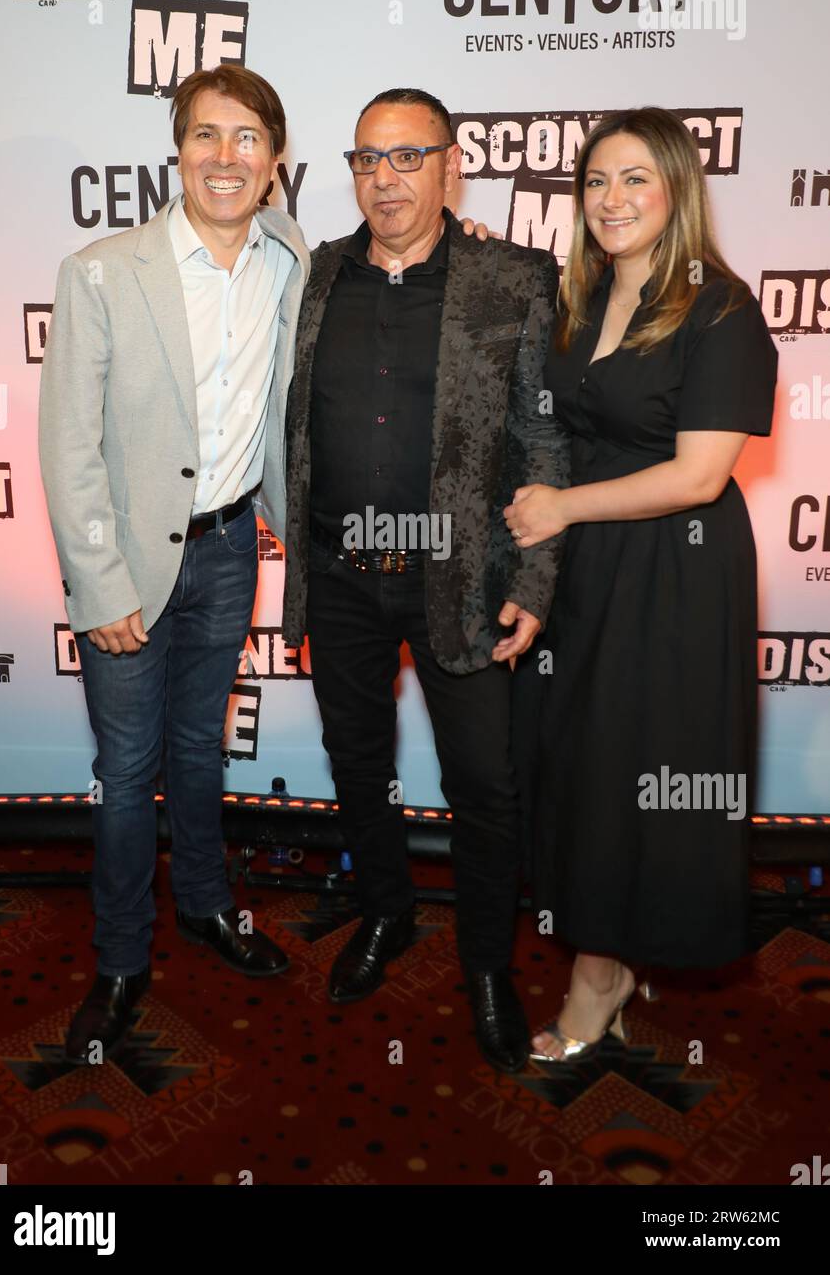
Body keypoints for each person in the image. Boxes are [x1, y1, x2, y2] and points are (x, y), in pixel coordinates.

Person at [281, 87, 569, 1071]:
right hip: (337, 571)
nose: (385, 178)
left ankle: (487, 964)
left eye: (408, 157)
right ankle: (387, 913)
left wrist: (532, 581)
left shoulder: (514, 279)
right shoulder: (315, 274)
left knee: (482, 786)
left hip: (462, 580)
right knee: (356, 762)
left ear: (452, 166)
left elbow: (542, 440)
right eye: (367, 159)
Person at [38, 65, 310, 1063]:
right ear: (177, 150)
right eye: (205, 135)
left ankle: (205, 906)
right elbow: (69, 446)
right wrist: (98, 583)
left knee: (199, 751)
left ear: (275, 162)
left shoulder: (292, 261)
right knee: (125, 774)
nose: (224, 156)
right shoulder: (104, 270)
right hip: (130, 567)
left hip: (233, 547)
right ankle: (118, 959)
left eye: (246, 138)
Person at [503, 106, 777, 1063]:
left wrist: (565, 511)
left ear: (677, 192)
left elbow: (701, 474)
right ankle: (608, 957)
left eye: (635, 181)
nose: (610, 201)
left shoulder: (722, 309)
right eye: (595, 183)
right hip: (589, 569)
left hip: (677, 569)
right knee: (584, 764)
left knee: (635, 769)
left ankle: (597, 978)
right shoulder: (580, 296)